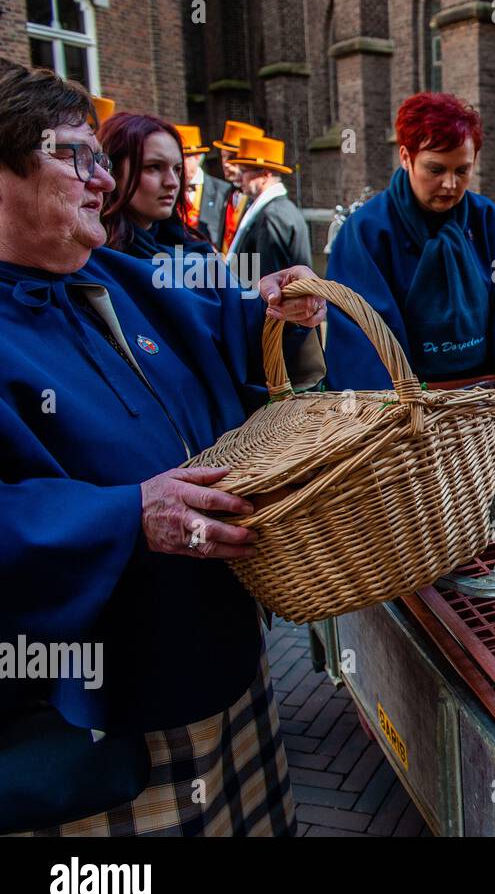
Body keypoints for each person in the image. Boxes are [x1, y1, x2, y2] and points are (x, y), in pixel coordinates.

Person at [0, 65, 326, 836]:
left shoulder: (119, 275)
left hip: (220, 659)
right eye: (74, 158)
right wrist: (123, 515)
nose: (100, 184)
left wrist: (282, 309)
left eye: (98, 160)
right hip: (106, 709)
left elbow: (225, 327)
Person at [326, 92, 495, 424]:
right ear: (405, 157)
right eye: (435, 169)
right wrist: (395, 408)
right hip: (407, 398)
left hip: (487, 390)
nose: (450, 184)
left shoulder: (485, 218)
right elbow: (361, 329)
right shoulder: (366, 231)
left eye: (463, 170)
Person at [98, 113, 216, 260]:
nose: (172, 182)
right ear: (113, 171)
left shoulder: (195, 253)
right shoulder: (91, 260)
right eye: (154, 167)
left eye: (177, 169)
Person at [224, 135, 313, 278]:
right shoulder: (273, 209)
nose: (239, 178)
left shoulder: (272, 215)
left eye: (244, 171)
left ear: (265, 175)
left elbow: (270, 278)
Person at [211, 119, 263, 254]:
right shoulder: (227, 192)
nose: (226, 163)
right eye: (224, 156)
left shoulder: (259, 199)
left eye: (233, 157)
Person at [177, 123, 232, 247]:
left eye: (183, 157)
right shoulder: (168, 190)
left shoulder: (224, 192)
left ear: (197, 157)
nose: (177, 164)